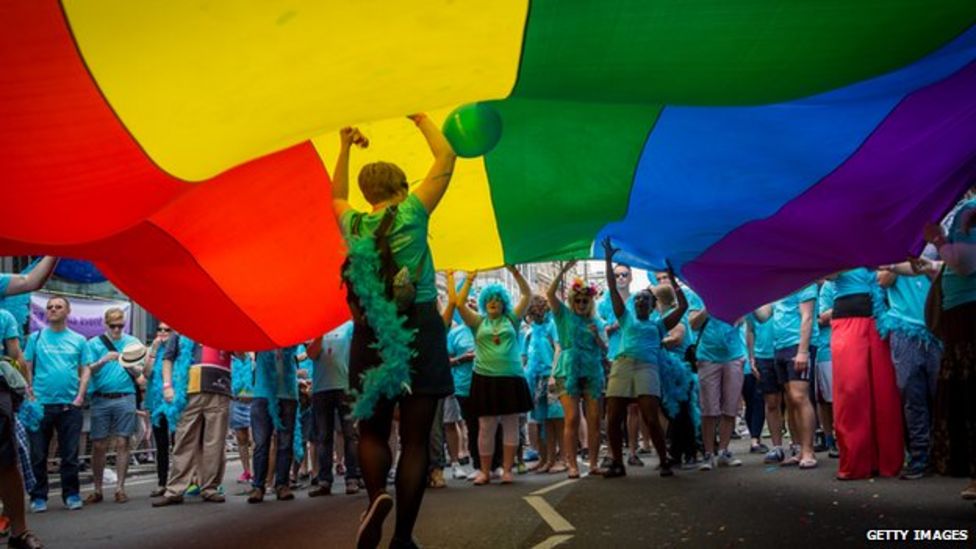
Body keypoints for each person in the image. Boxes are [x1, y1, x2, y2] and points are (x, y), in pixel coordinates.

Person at [331, 114, 456, 549]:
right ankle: (403, 537)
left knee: (372, 433)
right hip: (418, 326)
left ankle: (375, 498)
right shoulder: (413, 212)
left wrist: (345, 145)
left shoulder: (352, 225)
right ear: (402, 189)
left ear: (369, 195)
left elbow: (337, 194)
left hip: (370, 332)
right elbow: (446, 156)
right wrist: (421, 117)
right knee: (417, 440)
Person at [601, 240, 685, 477]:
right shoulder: (625, 318)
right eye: (637, 299)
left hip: (647, 368)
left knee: (650, 416)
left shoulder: (659, 324)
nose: (640, 301)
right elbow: (612, 286)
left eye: (645, 300)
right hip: (623, 364)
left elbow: (683, 306)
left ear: (652, 305)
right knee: (614, 416)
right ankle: (617, 462)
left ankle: (664, 459)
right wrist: (608, 261)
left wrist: (673, 279)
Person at [455, 268, 533, 485]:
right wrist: (469, 279)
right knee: (486, 426)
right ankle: (485, 471)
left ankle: (507, 470)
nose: (493, 302)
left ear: (504, 303)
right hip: (485, 378)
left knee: (510, 423)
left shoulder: (512, 319)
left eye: (497, 299)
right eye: (489, 299)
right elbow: (460, 304)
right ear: (483, 302)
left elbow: (527, 295)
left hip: (511, 377)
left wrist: (515, 272)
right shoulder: (478, 322)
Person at [0, 262, 56, 549]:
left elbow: (32, 280)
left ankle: (19, 533)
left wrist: (62, 246)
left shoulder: (4, 316)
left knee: (6, 461)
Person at [829, 268, 902, 480]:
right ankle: (856, 461)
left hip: (879, 319)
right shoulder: (836, 245)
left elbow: (889, 277)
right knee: (851, 389)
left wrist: (887, 267)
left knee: (884, 392)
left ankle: (887, 461)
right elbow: (827, 274)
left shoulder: (880, 243)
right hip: (847, 320)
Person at [925, 197, 976, 498]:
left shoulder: (968, 211)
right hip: (960, 314)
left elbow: (966, 263)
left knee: (970, 399)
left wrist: (938, 240)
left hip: (968, 316)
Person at [877, 262, 942, 479]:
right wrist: (899, 257)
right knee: (911, 396)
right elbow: (882, 280)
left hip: (937, 326)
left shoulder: (939, 241)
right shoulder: (893, 247)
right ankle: (920, 457)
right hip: (904, 328)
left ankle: (942, 454)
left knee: (941, 395)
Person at [25, 296, 88, 514]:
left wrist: (80, 396)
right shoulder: (36, 337)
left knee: (69, 455)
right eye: (50, 307)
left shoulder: (79, 340)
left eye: (58, 307)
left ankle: (71, 495)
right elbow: (27, 365)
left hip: (69, 406)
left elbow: (85, 369)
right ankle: (38, 497)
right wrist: (29, 392)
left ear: (68, 311)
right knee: (38, 454)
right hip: (40, 405)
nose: (53, 310)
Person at [152, 343, 234, 506]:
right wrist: (167, 386)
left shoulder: (224, 327)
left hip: (219, 388)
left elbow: (241, 355)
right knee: (184, 441)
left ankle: (210, 488)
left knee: (215, 443)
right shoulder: (184, 327)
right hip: (189, 391)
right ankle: (175, 490)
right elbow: (168, 358)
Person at [546, 261, 607, 478]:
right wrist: (564, 269)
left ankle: (592, 463)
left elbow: (605, 349)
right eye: (578, 300)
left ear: (590, 302)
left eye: (585, 300)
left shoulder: (596, 322)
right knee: (571, 418)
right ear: (572, 301)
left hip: (591, 370)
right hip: (567, 370)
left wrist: (597, 336)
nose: (581, 303)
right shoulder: (563, 315)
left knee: (594, 418)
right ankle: (572, 465)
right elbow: (550, 293)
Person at [81, 308, 142, 504]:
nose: (117, 330)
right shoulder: (94, 343)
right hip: (101, 398)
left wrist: (129, 365)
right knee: (99, 444)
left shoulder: (132, 343)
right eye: (113, 326)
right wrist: (102, 360)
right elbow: (86, 369)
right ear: (105, 324)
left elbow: (141, 370)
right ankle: (97, 489)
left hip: (125, 396)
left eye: (120, 326)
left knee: (123, 442)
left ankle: (120, 488)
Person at [755, 284, 819, 469]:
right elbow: (764, 315)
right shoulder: (779, 286)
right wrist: (747, 299)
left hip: (797, 344)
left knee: (800, 396)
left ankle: (808, 450)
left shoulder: (805, 282)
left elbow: (807, 317)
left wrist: (803, 351)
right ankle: (800, 449)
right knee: (791, 400)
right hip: (780, 346)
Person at [304, 321, 362, 496]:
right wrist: (320, 333)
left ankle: (352, 477)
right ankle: (324, 480)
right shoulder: (315, 327)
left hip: (345, 386)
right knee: (323, 436)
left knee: (350, 434)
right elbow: (312, 354)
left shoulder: (349, 326)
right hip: (321, 388)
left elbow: (357, 354)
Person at [692, 310, 747, 471]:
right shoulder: (699, 296)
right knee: (708, 409)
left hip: (734, 355)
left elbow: (742, 319)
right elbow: (693, 324)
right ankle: (708, 453)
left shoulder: (736, 297)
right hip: (708, 357)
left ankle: (723, 451)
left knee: (730, 407)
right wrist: (709, 308)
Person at [248, 346, 300, 503]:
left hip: (288, 393)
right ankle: (258, 486)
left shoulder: (293, 337)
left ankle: (282, 485)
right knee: (261, 443)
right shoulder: (259, 339)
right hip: (263, 394)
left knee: (285, 443)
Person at [521, 295, 565, 474]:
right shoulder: (531, 331)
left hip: (551, 375)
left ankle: (563, 459)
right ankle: (546, 458)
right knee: (542, 420)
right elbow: (525, 358)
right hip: (536, 378)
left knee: (557, 419)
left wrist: (554, 373)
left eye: (539, 312)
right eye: (533, 313)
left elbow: (558, 348)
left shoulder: (552, 325)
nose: (536, 316)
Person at [143, 323, 174, 497]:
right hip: (156, 403)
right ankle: (162, 483)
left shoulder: (177, 349)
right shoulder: (152, 351)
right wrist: (153, 351)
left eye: (167, 330)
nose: (162, 332)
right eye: (160, 329)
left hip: (174, 402)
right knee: (161, 445)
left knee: (179, 444)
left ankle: (180, 481)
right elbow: (146, 374)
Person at [814, 281, 839, 459]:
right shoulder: (828, 287)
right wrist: (848, 304)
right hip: (827, 350)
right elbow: (822, 317)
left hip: (851, 344)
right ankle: (831, 439)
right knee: (828, 399)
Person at [744, 313, 771, 454]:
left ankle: (755, 438)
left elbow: (751, 330)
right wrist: (751, 357)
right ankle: (754, 438)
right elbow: (750, 331)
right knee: (752, 401)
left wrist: (752, 357)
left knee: (757, 400)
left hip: (757, 357)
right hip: (743, 360)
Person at [230, 352, 255, 486]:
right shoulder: (230, 359)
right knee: (241, 438)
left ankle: (257, 470)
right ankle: (247, 471)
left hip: (252, 402)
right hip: (236, 401)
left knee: (254, 438)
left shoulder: (252, 358)